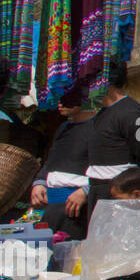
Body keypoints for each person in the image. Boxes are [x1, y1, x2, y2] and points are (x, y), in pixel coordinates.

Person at [84, 63, 140, 228]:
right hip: (99, 192)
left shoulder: (132, 113)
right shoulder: (102, 114)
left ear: (105, 82)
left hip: (120, 195)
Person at [30, 87, 96, 238]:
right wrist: (39, 182)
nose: (59, 104)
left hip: (77, 211)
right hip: (52, 209)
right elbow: (52, 161)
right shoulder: (64, 127)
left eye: (65, 99)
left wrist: (86, 190)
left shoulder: (99, 129)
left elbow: (108, 169)